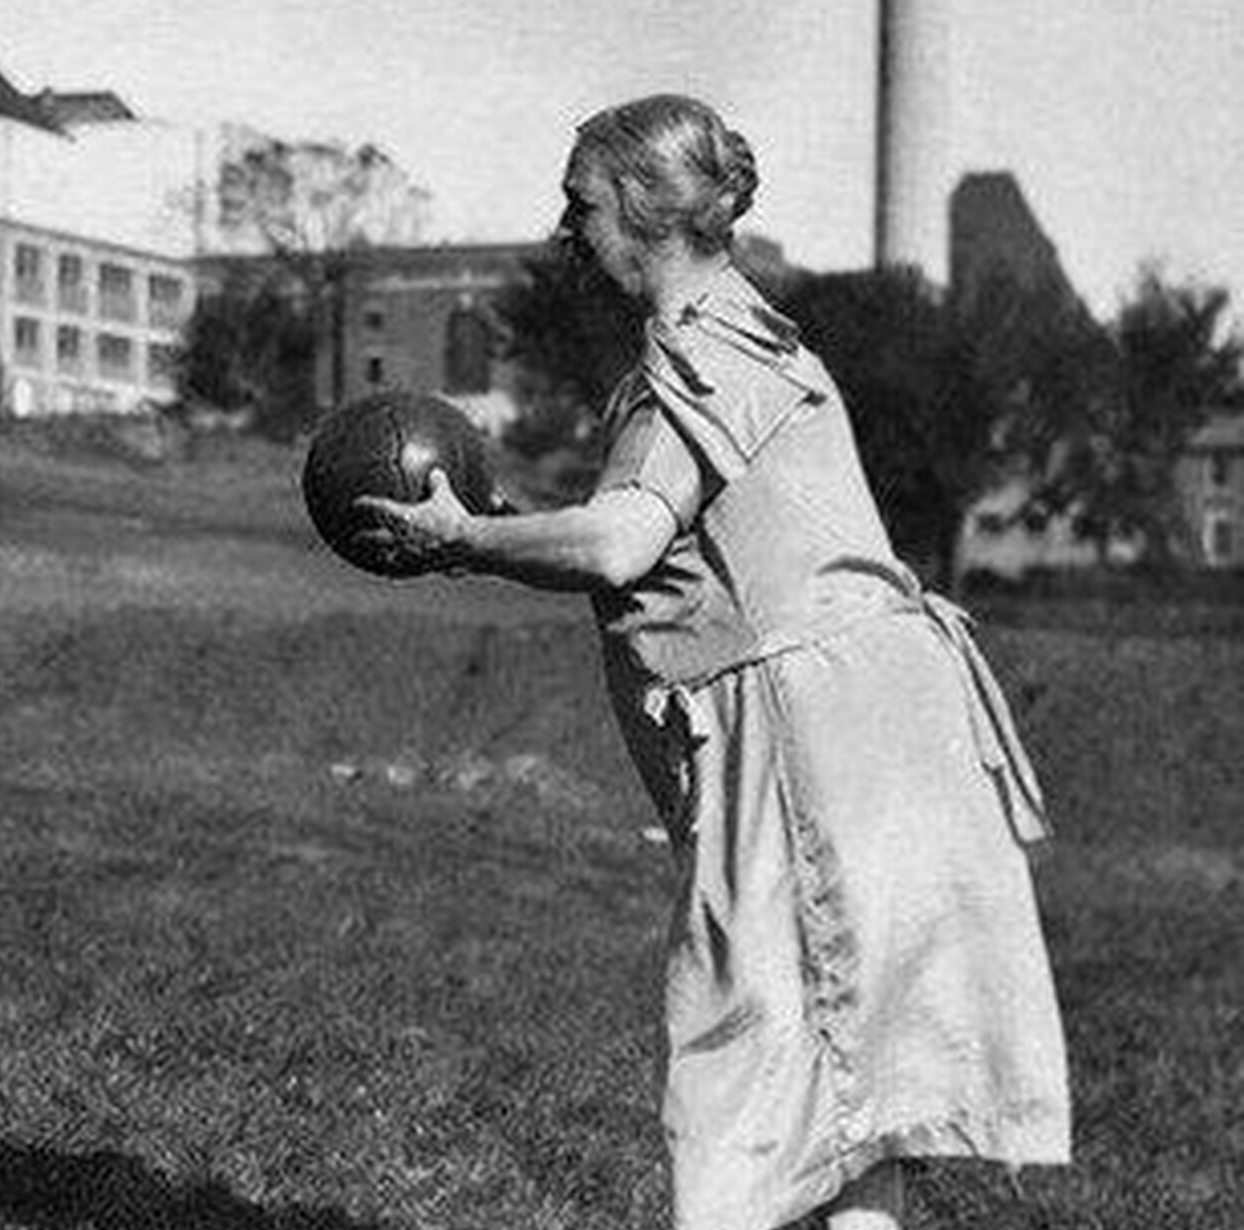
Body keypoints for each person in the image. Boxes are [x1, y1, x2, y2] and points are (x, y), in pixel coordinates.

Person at [359, 95, 1070, 1230]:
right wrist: (502, 529)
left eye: (583, 204)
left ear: (646, 210)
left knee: (745, 1080)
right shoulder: (757, 337)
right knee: (851, 1093)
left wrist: (463, 540)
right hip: (878, 724)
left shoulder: (702, 353)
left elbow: (617, 542)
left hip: (815, 740)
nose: (568, 230)